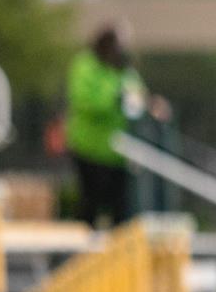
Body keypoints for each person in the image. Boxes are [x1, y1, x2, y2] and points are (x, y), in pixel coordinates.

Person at [64, 23, 157, 228]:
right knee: (90, 203)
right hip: (88, 146)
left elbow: (137, 95)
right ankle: (83, 253)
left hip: (118, 151)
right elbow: (82, 99)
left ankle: (116, 255)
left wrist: (150, 104)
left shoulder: (124, 69)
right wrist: (114, 99)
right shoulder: (85, 65)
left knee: (120, 207)